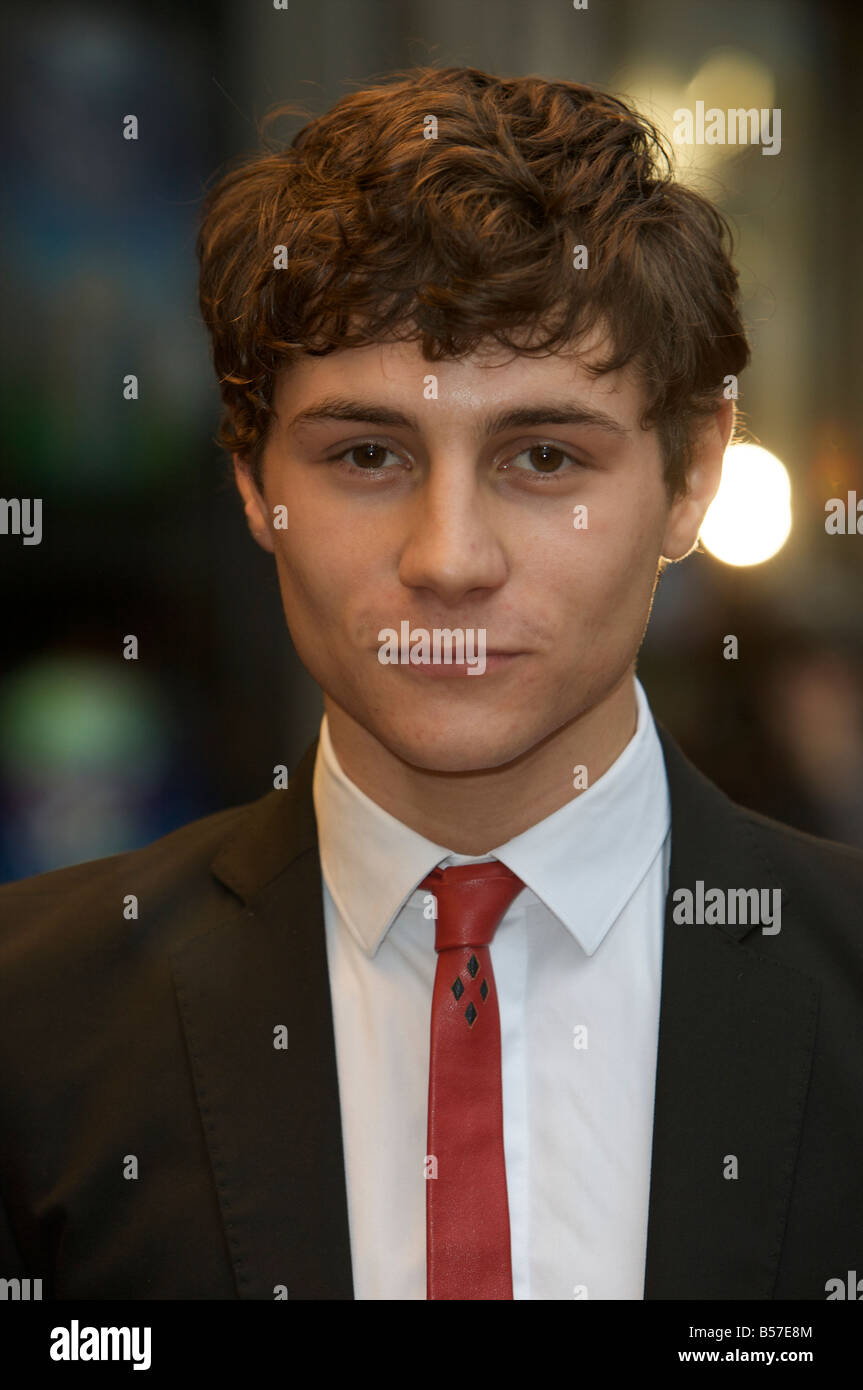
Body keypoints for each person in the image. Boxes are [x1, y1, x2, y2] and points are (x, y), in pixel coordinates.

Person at [1, 65, 861, 1302]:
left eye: (543, 455)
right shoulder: (29, 1017)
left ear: (690, 479)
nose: (447, 558)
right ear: (253, 480)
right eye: (365, 454)